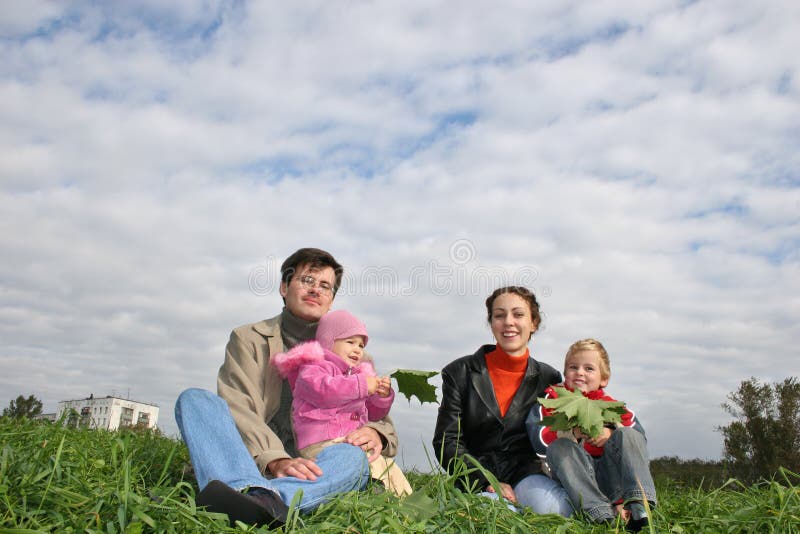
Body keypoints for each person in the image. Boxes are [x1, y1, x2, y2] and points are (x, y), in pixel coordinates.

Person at [175, 248, 399, 527]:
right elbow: (238, 405)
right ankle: (247, 485)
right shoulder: (247, 338)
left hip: (320, 462)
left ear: (331, 301)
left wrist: (376, 433)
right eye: (307, 281)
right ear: (284, 287)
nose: (316, 290)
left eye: (325, 286)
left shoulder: (356, 356)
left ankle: (264, 499)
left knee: (352, 457)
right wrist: (275, 460)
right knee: (194, 400)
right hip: (255, 457)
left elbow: (379, 416)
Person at [432, 286, 572, 516]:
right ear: (491, 323)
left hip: (526, 474)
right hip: (476, 478)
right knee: (496, 517)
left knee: (557, 510)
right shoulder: (459, 372)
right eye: (499, 315)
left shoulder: (550, 378)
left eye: (518, 314)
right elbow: (446, 441)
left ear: (533, 323)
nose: (508, 322)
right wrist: (485, 478)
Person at [272, 309, 412, 496]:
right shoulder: (313, 368)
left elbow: (374, 414)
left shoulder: (356, 375)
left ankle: (402, 506)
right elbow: (325, 391)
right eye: (350, 342)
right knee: (369, 464)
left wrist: (381, 396)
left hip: (346, 441)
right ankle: (283, 495)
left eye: (361, 345)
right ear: (329, 342)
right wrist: (362, 384)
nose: (357, 349)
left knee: (387, 466)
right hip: (321, 441)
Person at [526, 338, 657, 530]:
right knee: (560, 447)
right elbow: (539, 438)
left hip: (609, 476)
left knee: (628, 434)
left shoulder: (613, 406)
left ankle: (637, 503)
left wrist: (611, 432)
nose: (580, 372)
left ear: (604, 378)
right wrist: (573, 433)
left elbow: (638, 442)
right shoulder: (552, 398)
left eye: (589, 368)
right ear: (565, 373)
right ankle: (600, 514)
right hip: (576, 477)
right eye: (573, 367)